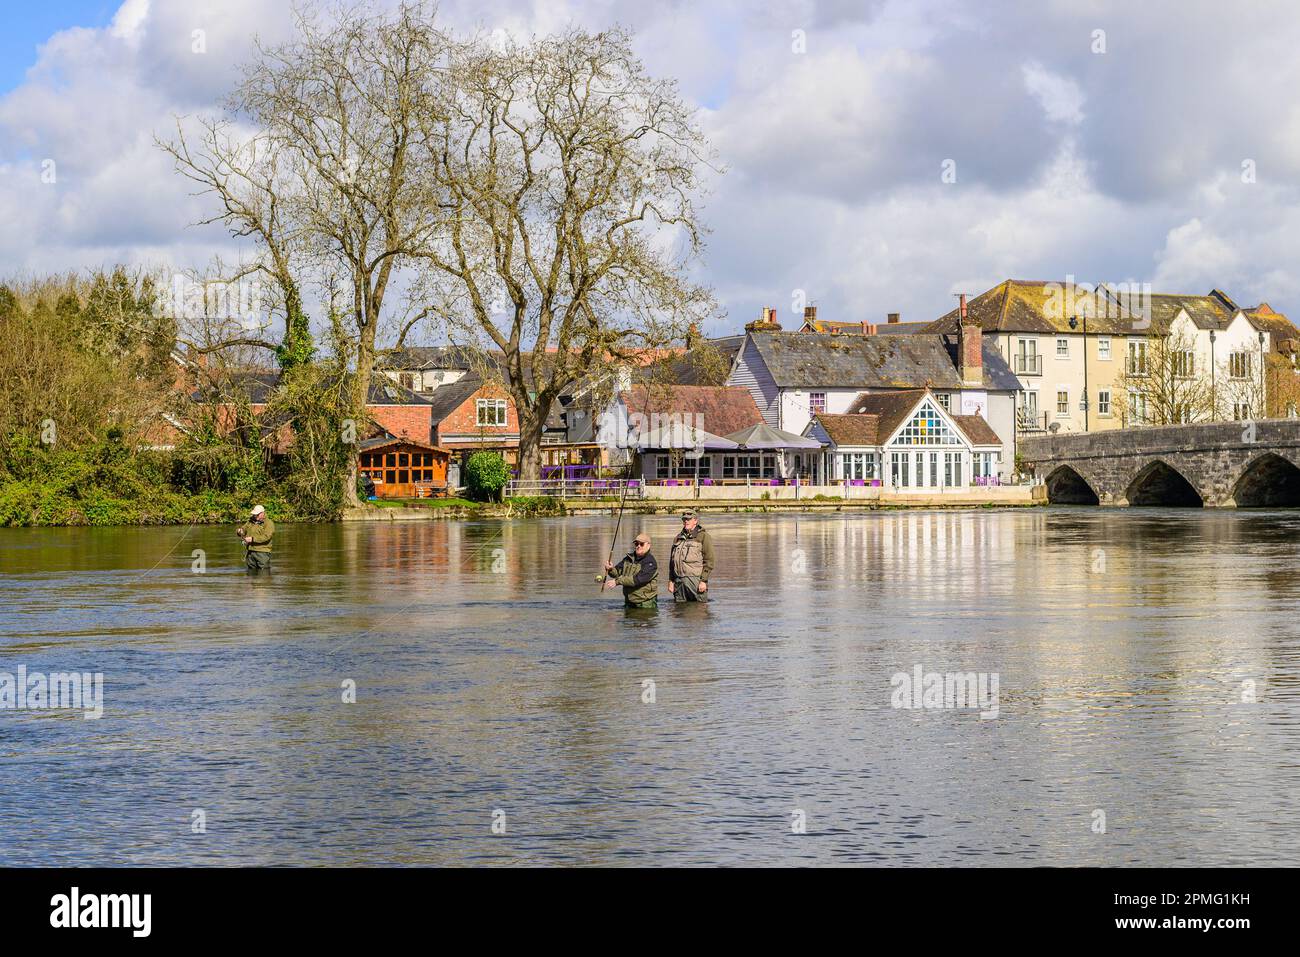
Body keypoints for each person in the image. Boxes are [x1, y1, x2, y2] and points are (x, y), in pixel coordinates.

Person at [668, 509, 714, 603]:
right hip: (679, 582)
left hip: (696, 582)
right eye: (684, 519)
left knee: (699, 613)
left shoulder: (704, 536)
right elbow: (671, 563)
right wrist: (671, 581)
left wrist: (703, 581)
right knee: (679, 613)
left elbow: (709, 560)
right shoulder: (677, 538)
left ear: (695, 521)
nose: (686, 521)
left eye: (689, 519)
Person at [604, 532, 658, 608]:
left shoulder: (650, 562)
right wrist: (610, 569)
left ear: (648, 545)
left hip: (645, 603)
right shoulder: (628, 558)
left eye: (642, 544)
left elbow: (637, 580)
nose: (638, 546)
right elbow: (616, 573)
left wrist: (617, 582)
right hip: (629, 601)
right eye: (636, 544)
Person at [237, 505, 274, 573]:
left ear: (262, 513)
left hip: (263, 553)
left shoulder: (269, 523)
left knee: (264, 575)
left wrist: (252, 539)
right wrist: (240, 531)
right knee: (250, 573)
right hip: (250, 552)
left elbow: (266, 537)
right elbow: (243, 529)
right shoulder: (250, 521)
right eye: (254, 514)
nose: (254, 516)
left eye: (257, 515)